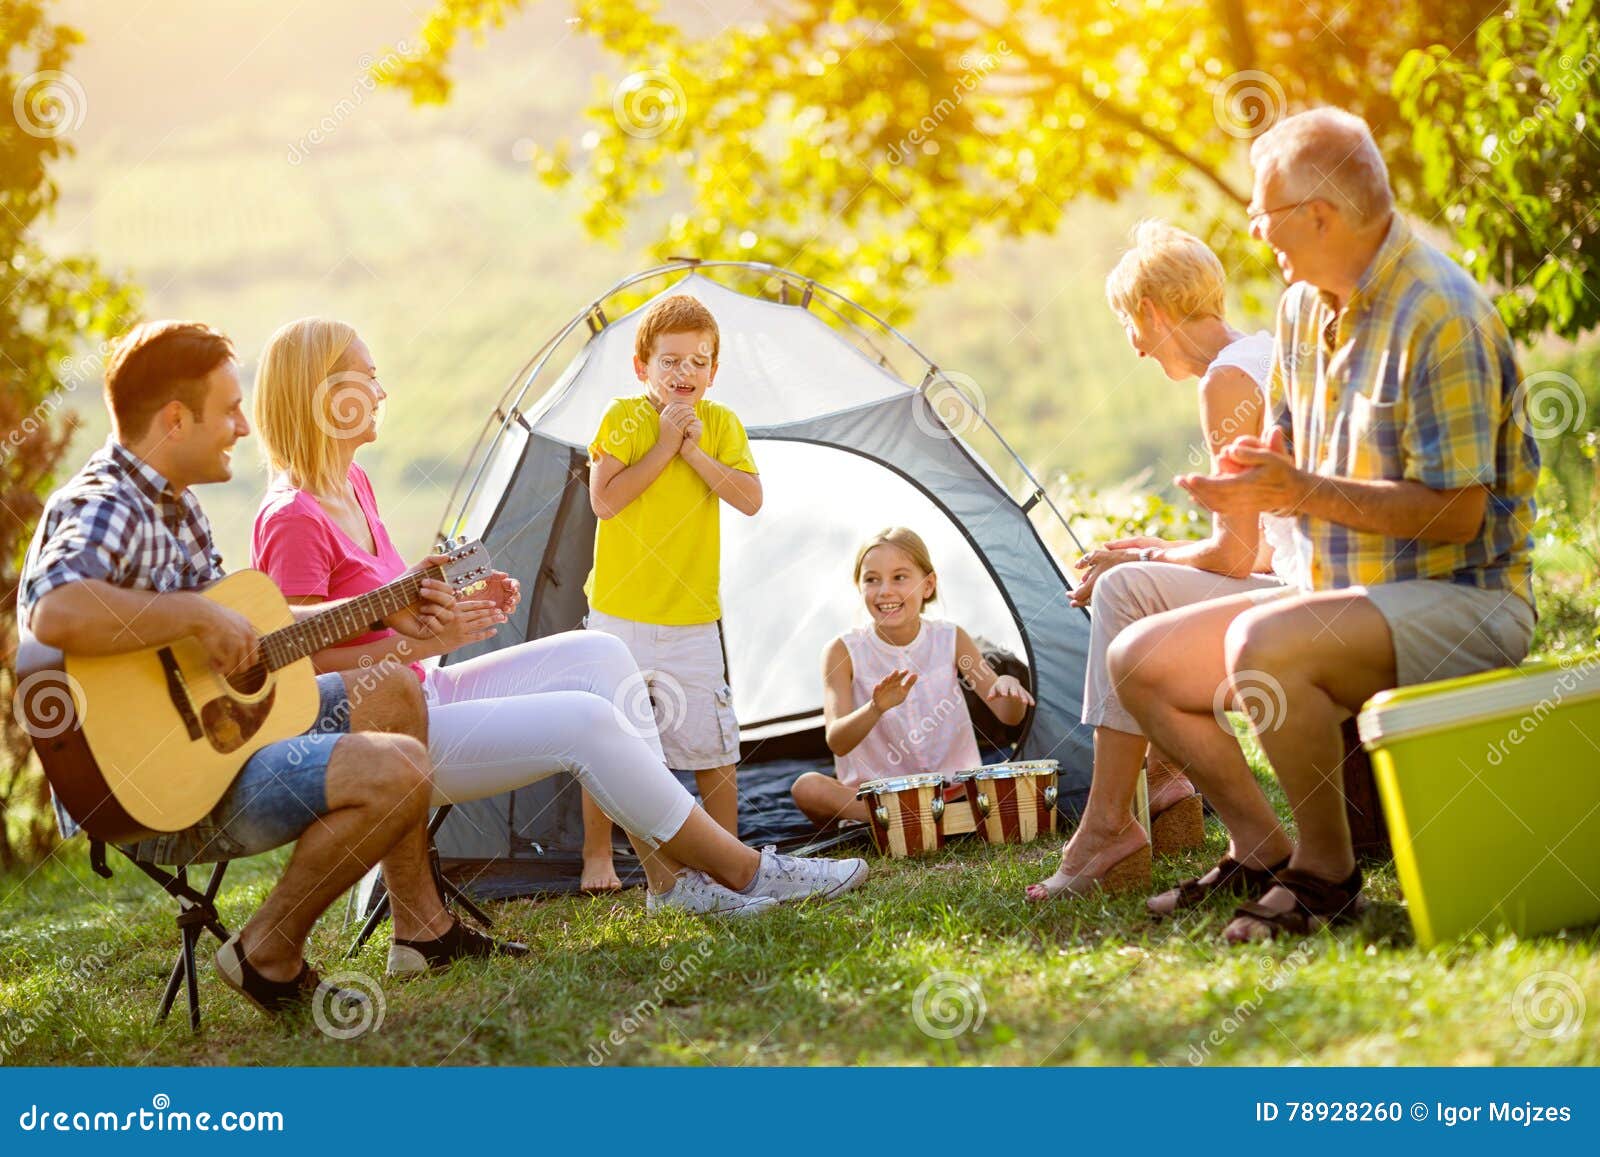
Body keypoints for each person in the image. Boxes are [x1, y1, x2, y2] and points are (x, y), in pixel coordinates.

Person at [249, 317, 868, 921]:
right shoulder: (293, 519)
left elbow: (371, 612)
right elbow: (296, 672)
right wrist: (429, 642)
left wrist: (445, 602)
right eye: (369, 377)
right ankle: (744, 870)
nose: (383, 393)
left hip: (424, 690)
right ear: (325, 394)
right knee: (586, 719)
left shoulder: (353, 483)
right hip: (376, 738)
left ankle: (668, 879)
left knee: (599, 656)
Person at [1109, 107, 1538, 941]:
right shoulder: (1303, 308)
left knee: (1266, 647)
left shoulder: (1439, 314)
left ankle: (1328, 875)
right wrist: (1248, 488)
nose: (1257, 234)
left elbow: (1458, 513)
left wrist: (1300, 488)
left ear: (1321, 214)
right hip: (1335, 591)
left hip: (1462, 595)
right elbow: (1291, 457)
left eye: (1263, 217)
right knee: (1142, 661)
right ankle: (1264, 847)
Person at [18, 320, 525, 1015]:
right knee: (399, 770)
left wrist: (388, 606)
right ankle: (269, 949)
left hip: (211, 734)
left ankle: (422, 932)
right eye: (228, 410)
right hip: (151, 783)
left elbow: (256, 640)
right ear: (175, 418)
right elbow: (57, 611)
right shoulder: (105, 502)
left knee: (397, 695)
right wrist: (196, 617)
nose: (242, 428)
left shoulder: (179, 509)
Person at [1027, 221, 1301, 901]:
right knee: (1129, 583)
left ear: (1151, 310)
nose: (1136, 345)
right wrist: (1146, 552)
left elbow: (1235, 557)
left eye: (1129, 322)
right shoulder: (1261, 354)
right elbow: (1261, 540)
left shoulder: (1227, 383)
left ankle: (1110, 823)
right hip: (1301, 574)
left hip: (1306, 598)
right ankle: (1158, 784)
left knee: (1121, 590)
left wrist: (1143, 553)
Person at [580, 294, 761, 891]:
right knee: (610, 738)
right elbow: (605, 501)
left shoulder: (725, 425)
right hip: (619, 615)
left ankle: (727, 859)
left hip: (691, 616)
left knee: (713, 744)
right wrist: (662, 444)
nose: (683, 373)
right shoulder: (624, 418)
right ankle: (597, 859)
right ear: (643, 367)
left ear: (712, 372)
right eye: (670, 361)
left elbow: (750, 499)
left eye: (697, 362)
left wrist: (695, 452)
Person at [792, 527, 1034, 826]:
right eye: (872, 580)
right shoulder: (841, 652)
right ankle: (907, 818)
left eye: (900, 577)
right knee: (807, 788)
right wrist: (875, 707)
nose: (885, 591)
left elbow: (1007, 715)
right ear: (859, 587)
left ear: (928, 585)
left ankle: (903, 821)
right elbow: (837, 741)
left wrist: (1009, 689)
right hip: (878, 796)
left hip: (952, 789)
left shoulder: (952, 638)